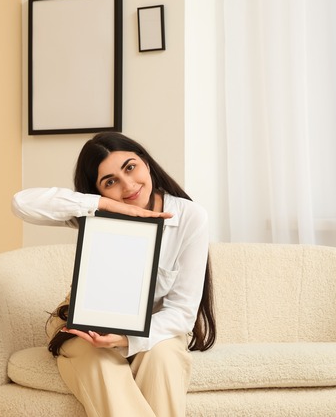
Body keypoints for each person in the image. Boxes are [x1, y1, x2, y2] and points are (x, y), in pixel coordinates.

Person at [11, 132, 216, 417]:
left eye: (130, 167)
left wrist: (126, 339)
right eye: (110, 182)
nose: (128, 185)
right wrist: (102, 205)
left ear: (145, 163)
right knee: (101, 364)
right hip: (87, 324)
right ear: (99, 191)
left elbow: (181, 312)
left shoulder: (190, 217)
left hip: (158, 327)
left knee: (163, 357)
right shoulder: (97, 212)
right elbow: (22, 203)